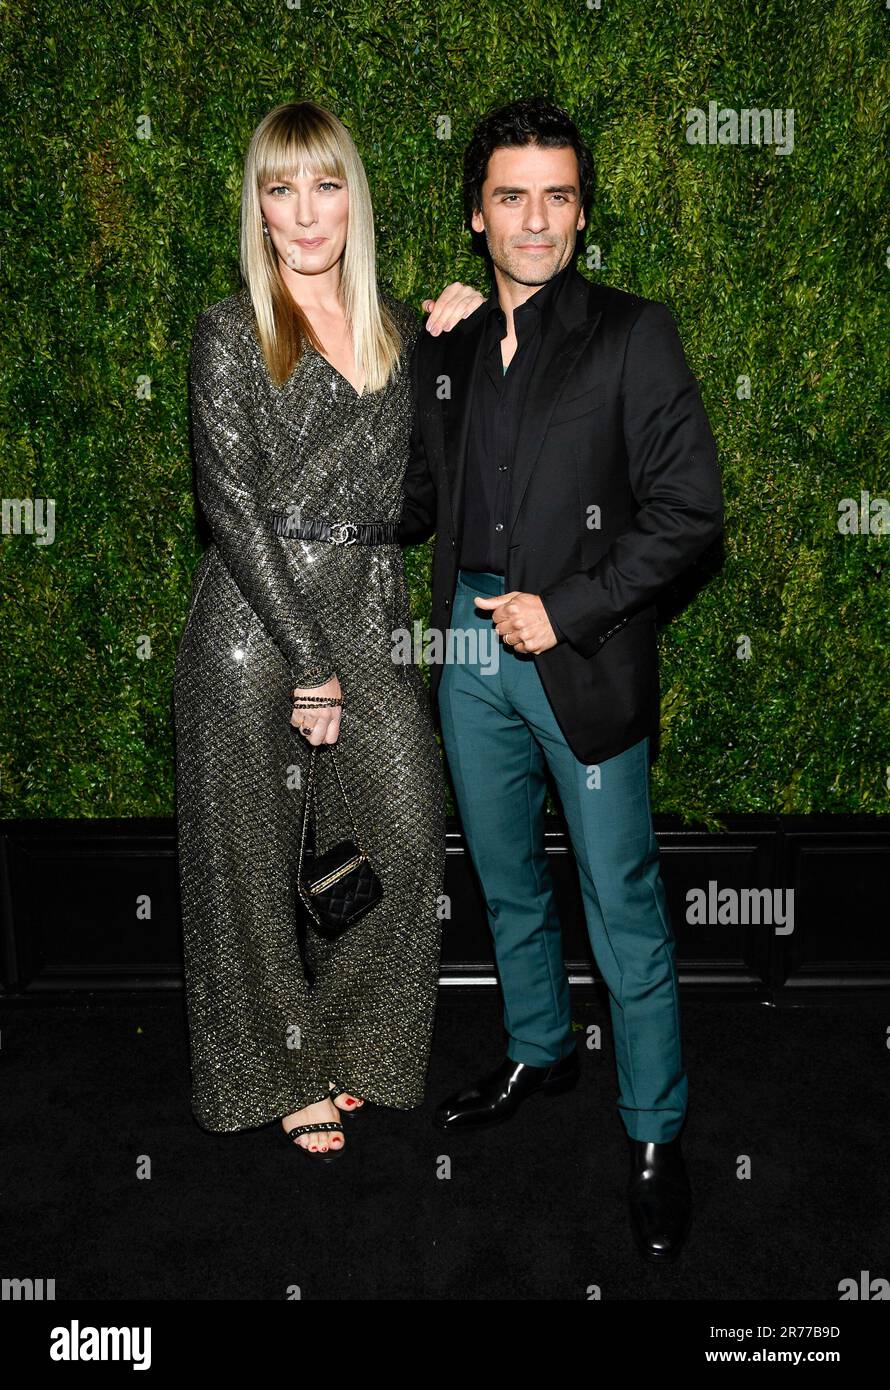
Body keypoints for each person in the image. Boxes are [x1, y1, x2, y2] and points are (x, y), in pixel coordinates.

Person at [398, 96, 723, 1258]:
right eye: (509, 196)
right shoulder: (446, 340)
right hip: (465, 655)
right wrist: (418, 338)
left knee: (620, 906)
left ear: (580, 213)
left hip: (576, 660)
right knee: (503, 881)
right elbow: (417, 494)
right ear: (476, 215)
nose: (534, 218)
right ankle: (537, 1051)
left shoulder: (634, 333)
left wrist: (569, 607)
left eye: (556, 196)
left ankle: (653, 1131)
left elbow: (690, 512)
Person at [174, 99, 483, 1161]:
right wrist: (309, 664)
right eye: (279, 188)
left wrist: (478, 321)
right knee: (247, 864)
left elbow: (458, 448)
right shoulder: (229, 331)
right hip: (251, 627)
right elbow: (231, 506)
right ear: (257, 210)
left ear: (354, 194)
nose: (304, 213)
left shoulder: (399, 323)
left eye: (324, 185)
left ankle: (349, 1037)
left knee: (405, 831)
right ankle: (278, 1069)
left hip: (364, 606)